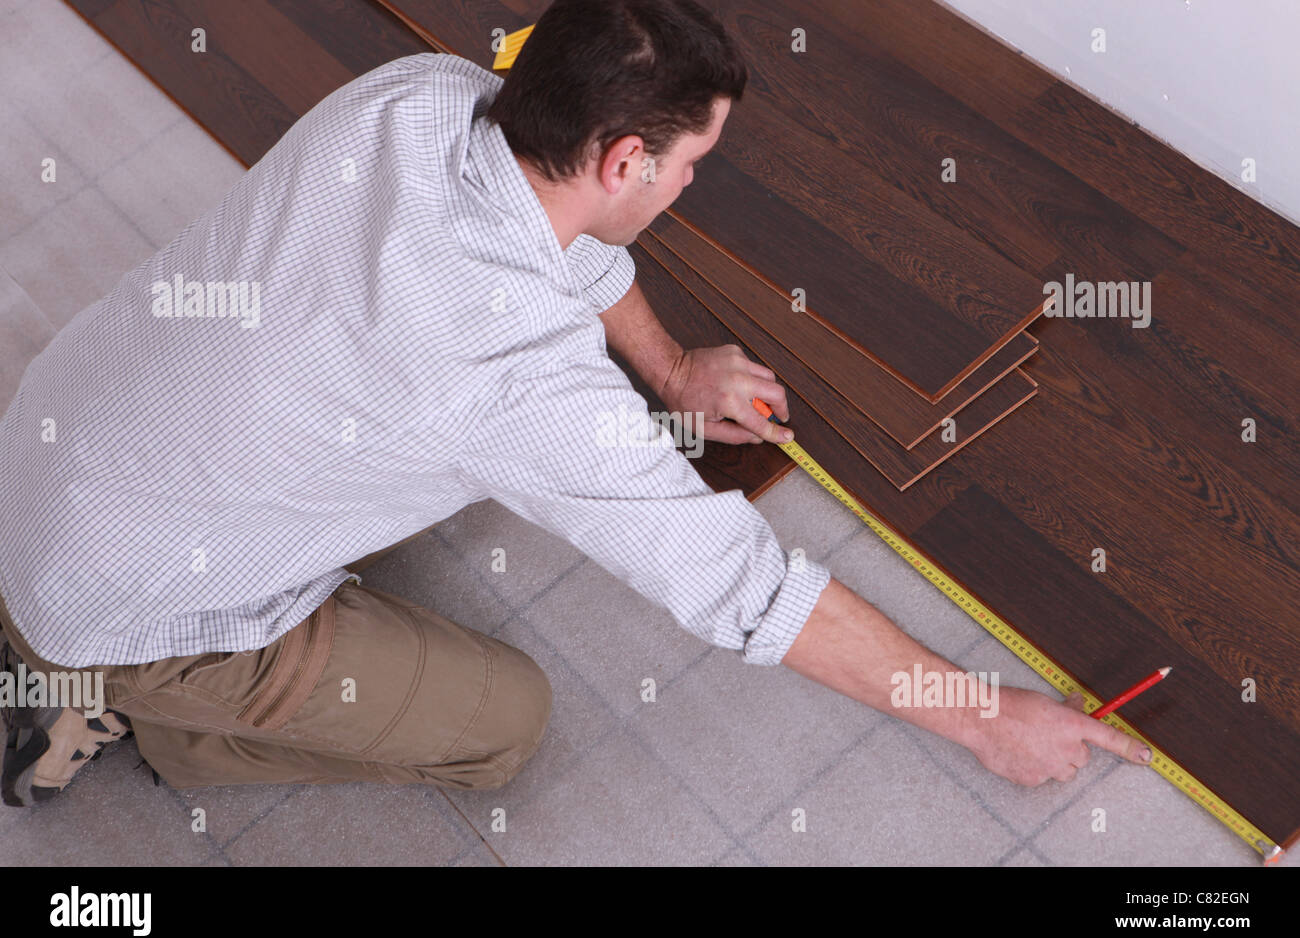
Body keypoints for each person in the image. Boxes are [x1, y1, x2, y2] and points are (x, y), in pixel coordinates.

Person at [0, 0, 1150, 809]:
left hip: (49, 446)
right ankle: (140, 715)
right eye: (689, 162)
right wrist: (984, 716)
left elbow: (567, 243)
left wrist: (673, 370)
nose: (691, 183)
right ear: (621, 160)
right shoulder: (517, 375)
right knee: (502, 725)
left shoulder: (421, 97)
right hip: (117, 604)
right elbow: (741, 585)